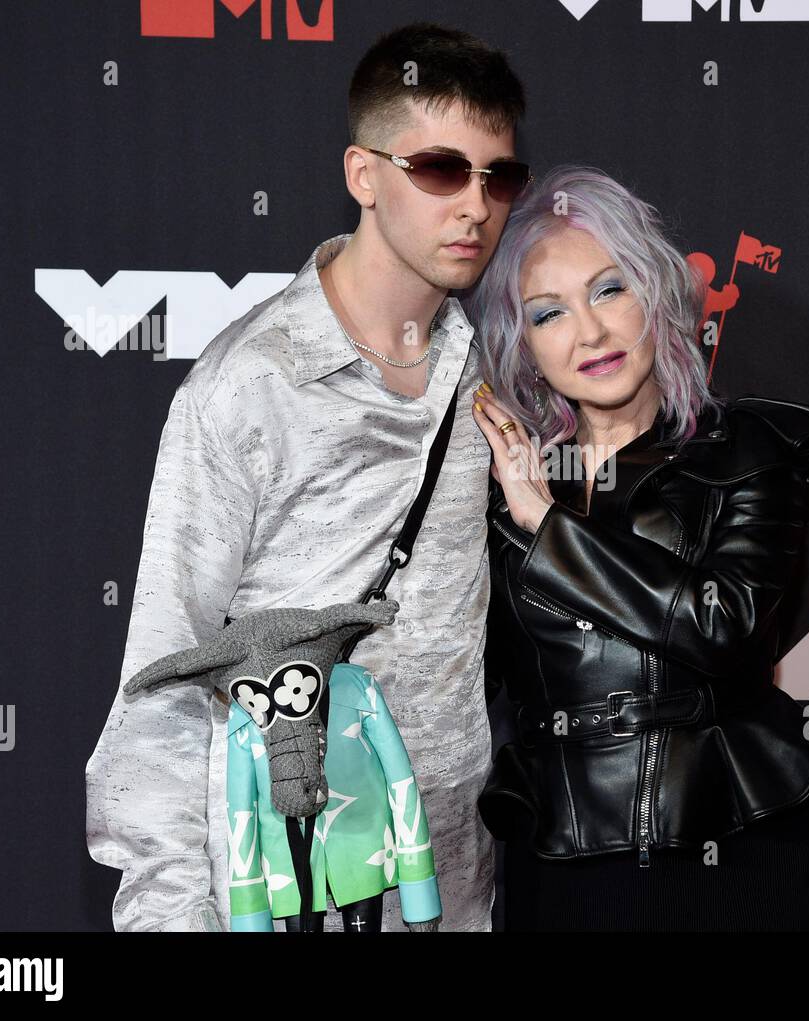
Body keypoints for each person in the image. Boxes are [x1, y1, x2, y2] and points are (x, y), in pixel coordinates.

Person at [83, 22, 530, 931]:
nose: (475, 205)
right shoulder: (251, 382)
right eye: (441, 169)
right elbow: (162, 680)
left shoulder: (487, 369)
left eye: (500, 177)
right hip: (285, 889)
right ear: (364, 175)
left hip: (447, 888)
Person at [464, 165, 809, 931]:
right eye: (549, 313)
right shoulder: (497, 489)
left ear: (655, 291)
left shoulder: (749, 450)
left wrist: (547, 526)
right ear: (524, 345)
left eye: (610, 290)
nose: (590, 332)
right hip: (560, 866)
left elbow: (726, 625)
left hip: (729, 856)